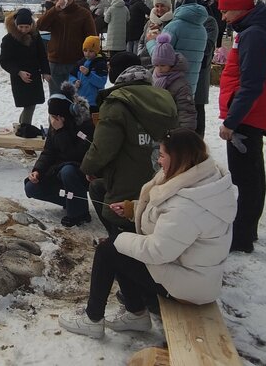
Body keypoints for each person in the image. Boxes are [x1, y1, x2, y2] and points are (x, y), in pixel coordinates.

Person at [59, 129, 236, 339]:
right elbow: (169, 224)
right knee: (120, 248)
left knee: (110, 250)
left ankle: (92, 319)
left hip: (189, 287)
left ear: (179, 158)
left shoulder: (188, 205)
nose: (158, 161)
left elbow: (158, 250)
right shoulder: (196, 176)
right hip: (191, 272)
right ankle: (135, 313)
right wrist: (134, 209)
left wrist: (118, 241)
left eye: (162, 155)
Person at [216, 0, 266, 253]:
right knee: (252, 175)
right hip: (253, 112)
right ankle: (246, 231)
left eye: (226, 11)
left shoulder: (253, 35)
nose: (223, 17)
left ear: (241, 9)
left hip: (247, 116)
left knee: (247, 179)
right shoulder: (257, 30)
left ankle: (241, 236)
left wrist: (231, 121)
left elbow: (251, 84)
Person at [81, 55, 178, 237]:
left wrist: (88, 167)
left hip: (128, 181)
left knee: (100, 192)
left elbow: (102, 148)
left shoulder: (116, 103)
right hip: (162, 177)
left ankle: (119, 240)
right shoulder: (165, 99)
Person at [23, 85, 95, 226]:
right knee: (31, 188)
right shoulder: (55, 125)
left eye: (57, 116)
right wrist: (37, 170)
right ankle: (71, 200)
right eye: (52, 116)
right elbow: (48, 152)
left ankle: (79, 213)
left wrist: (61, 132)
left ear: (67, 113)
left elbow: (75, 154)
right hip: (58, 170)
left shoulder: (84, 126)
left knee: (68, 171)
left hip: (80, 171)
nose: (53, 120)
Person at [36, 0, 97, 96]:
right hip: (55, 62)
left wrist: (91, 58)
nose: (64, 0)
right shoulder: (55, 13)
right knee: (56, 98)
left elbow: (91, 37)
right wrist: (54, 10)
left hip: (75, 62)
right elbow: (40, 26)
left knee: (74, 97)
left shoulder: (83, 14)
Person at [0, 8, 51, 129]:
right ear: (16, 24)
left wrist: (45, 71)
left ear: (31, 25)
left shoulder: (35, 36)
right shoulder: (8, 39)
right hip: (19, 77)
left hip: (34, 75)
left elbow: (42, 55)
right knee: (29, 104)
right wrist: (18, 72)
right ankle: (25, 128)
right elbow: (4, 61)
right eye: (21, 27)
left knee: (31, 104)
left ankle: (23, 127)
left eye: (27, 27)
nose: (23, 30)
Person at [147, 0, 207, 94]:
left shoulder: (174, 26)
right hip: (190, 83)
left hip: (171, 83)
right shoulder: (202, 29)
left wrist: (151, 41)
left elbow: (160, 56)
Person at [151, 34, 197, 131]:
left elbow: (186, 111)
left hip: (173, 130)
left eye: (163, 65)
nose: (159, 69)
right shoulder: (152, 77)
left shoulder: (181, 85)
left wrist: (185, 133)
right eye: (156, 65)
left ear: (171, 64)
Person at [69, 36, 108, 113]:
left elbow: (101, 83)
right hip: (80, 101)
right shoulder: (80, 62)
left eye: (91, 51)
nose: (87, 53)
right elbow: (71, 75)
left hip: (94, 103)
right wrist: (74, 81)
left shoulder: (100, 64)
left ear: (96, 51)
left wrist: (88, 74)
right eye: (85, 50)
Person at [196, 14, 220, 137]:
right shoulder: (174, 21)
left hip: (200, 70)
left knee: (198, 106)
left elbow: (207, 47)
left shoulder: (209, 21)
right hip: (178, 72)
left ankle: (198, 144)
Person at [138, 0, 173, 65]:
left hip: (160, 65)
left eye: (162, 6)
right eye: (157, 6)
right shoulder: (150, 22)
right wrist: (140, 52)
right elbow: (141, 41)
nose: (159, 9)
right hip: (144, 62)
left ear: (168, 7)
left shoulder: (172, 23)